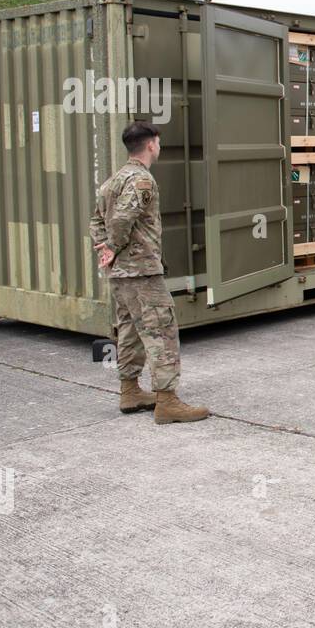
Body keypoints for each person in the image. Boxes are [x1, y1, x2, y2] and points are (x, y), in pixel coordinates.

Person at [90, 121, 209, 424]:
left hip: (120, 275)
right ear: (152, 144)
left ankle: (129, 391)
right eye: (158, 141)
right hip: (141, 272)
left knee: (129, 330)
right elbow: (121, 218)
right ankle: (167, 402)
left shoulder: (112, 181)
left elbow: (97, 220)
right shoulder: (142, 180)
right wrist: (114, 247)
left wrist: (105, 249)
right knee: (161, 331)